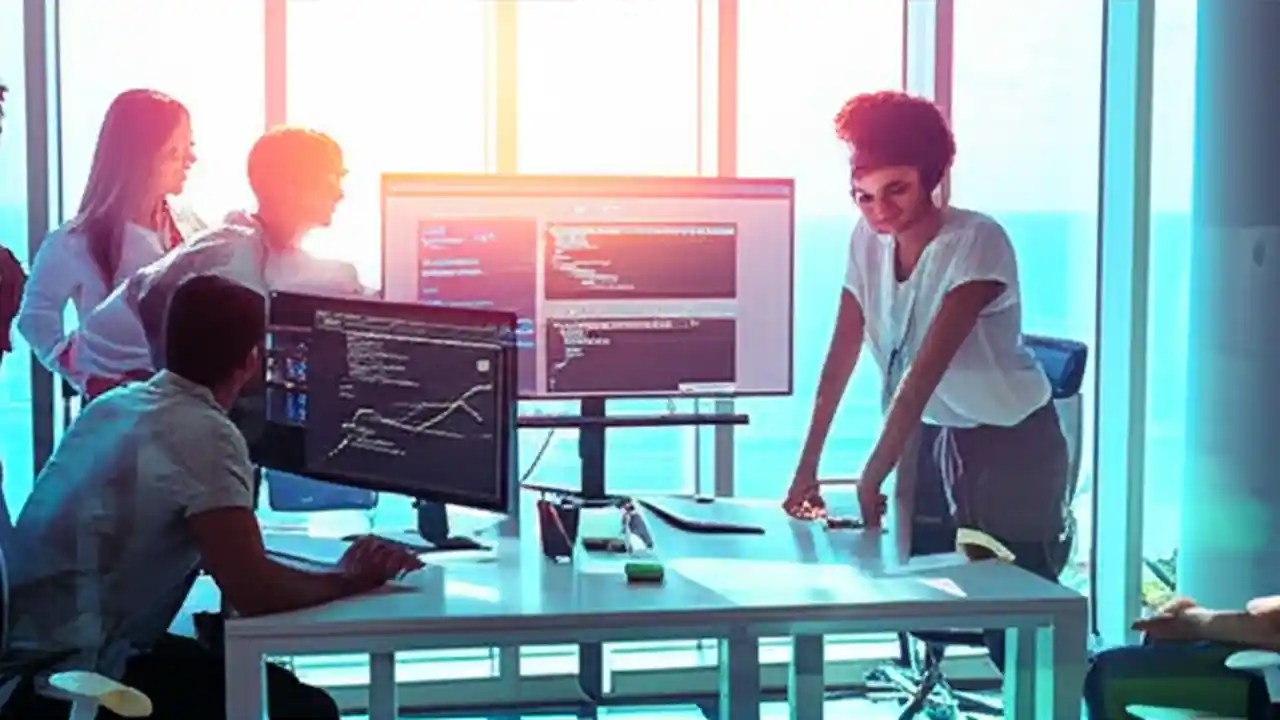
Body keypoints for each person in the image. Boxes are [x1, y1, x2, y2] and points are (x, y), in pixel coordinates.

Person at [0, 274, 423, 720]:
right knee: (306, 710)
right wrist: (350, 578)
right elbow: (253, 590)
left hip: (34, 658)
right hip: (70, 681)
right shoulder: (208, 433)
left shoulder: (116, 406)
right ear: (251, 359)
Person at [783, 91, 1071, 660]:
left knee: (1017, 629)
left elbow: (922, 372)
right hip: (936, 436)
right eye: (862, 196)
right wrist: (805, 469)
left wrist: (870, 477)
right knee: (923, 599)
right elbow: (840, 356)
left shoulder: (976, 242)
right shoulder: (866, 241)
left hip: (1013, 443)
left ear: (932, 177)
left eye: (897, 189)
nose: (879, 210)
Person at [74, 125, 364, 392]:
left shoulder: (258, 249)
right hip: (143, 402)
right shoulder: (228, 260)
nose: (339, 194)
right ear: (291, 185)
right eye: (332, 177)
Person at [15, 89, 203, 395]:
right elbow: (35, 319)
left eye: (189, 147)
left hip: (183, 398)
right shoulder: (74, 242)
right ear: (141, 157)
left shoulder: (191, 227)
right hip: (119, 405)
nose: (190, 159)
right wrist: (87, 378)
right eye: (175, 151)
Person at [1084, 596, 1280, 718]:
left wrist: (1190, 623)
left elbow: (1267, 621)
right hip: (1261, 675)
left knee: (1105, 676)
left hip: (1263, 683)